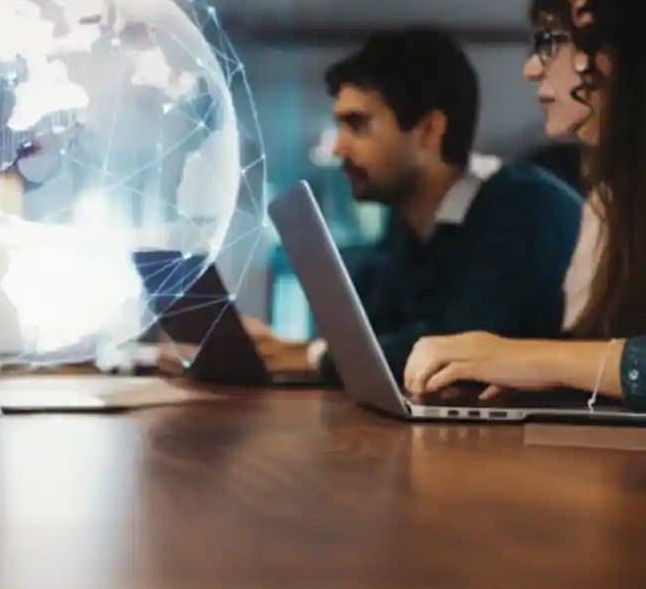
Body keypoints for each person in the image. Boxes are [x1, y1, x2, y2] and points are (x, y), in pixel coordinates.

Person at [248, 27, 581, 380]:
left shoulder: (525, 210)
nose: (337, 149)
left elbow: (458, 351)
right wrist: (291, 352)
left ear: (429, 130)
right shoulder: (405, 226)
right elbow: (375, 339)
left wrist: (312, 356)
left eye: (358, 125)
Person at [405, 0, 646, 407]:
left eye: (551, 41)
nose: (532, 69)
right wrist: (559, 376)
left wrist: (540, 361)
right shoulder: (611, 202)